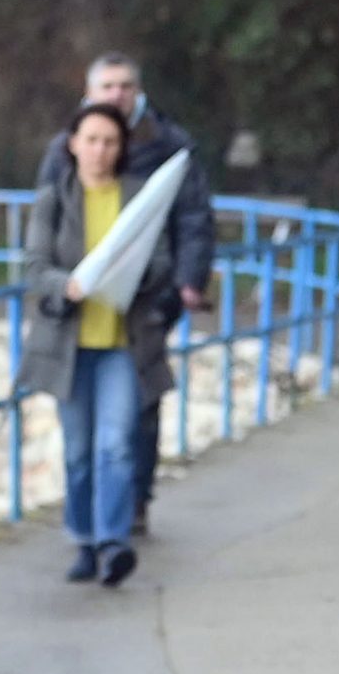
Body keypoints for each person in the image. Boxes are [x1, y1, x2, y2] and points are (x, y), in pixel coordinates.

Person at [38, 53, 214, 536]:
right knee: (82, 438)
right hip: (77, 312)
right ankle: (87, 529)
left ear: (139, 92)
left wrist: (187, 280)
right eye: (108, 86)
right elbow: (43, 233)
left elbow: (193, 218)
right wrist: (58, 286)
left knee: (138, 408)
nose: (117, 94)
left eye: (125, 85)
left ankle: (131, 506)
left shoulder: (170, 144)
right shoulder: (63, 150)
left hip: (148, 299)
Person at [22, 101, 177, 588]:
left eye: (110, 141)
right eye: (91, 140)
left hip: (122, 344)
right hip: (69, 345)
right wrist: (65, 285)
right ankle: (83, 538)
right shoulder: (54, 199)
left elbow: (162, 261)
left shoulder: (138, 197)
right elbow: (34, 267)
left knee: (116, 445)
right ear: (73, 145)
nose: (100, 150)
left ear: (121, 147)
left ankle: (114, 542)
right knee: (79, 450)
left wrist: (134, 277)